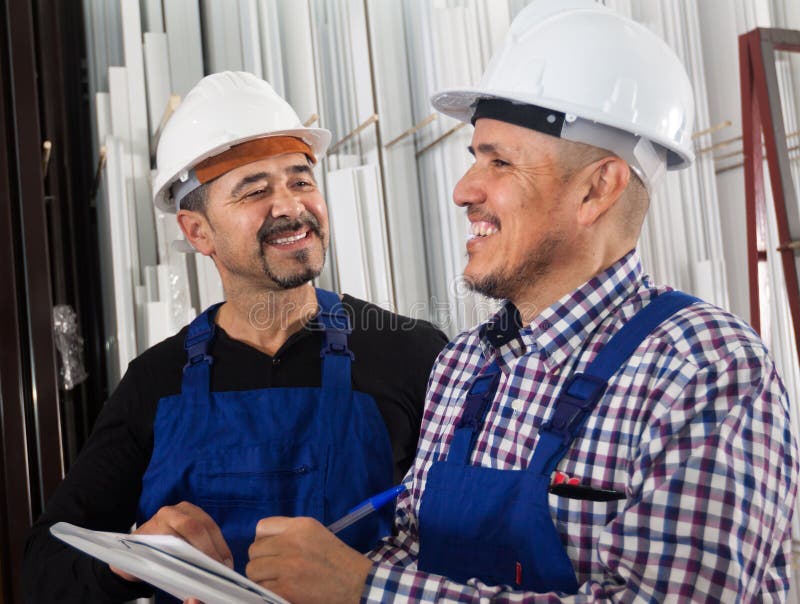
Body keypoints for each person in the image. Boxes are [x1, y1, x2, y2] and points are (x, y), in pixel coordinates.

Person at [240, 2, 799, 602]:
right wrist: (286, 582)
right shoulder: (463, 366)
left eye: (500, 162)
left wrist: (366, 590)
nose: (463, 191)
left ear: (596, 188)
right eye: (474, 158)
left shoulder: (703, 369)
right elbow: (416, 554)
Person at [22, 71, 447, 603]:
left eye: (300, 180)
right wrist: (134, 556)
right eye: (255, 191)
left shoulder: (410, 353)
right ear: (197, 232)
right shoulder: (156, 382)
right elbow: (44, 570)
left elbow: (474, 542)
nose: (291, 206)